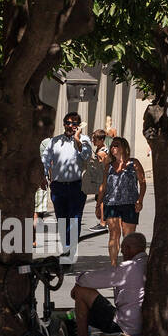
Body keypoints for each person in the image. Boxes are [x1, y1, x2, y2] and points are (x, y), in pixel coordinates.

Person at [69, 232, 147, 336]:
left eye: (123, 250)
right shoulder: (149, 263)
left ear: (128, 248)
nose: (122, 254)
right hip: (141, 326)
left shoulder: (129, 267)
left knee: (81, 290)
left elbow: (89, 280)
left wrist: (79, 280)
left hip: (126, 327)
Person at [41, 112, 93, 255]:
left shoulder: (84, 140)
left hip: (77, 186)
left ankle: (70, 250)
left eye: (74, 123)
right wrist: (44, 175)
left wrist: (77, 139)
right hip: (58, 187)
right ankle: (66, 248)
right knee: (62, 221)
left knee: (75, 220)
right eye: (68, 123)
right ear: (64, 124)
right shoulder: (55, 141)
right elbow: (45, 159)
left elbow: (86, 156)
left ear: (79, 126)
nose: (71, 126)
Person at [95, 136, 146, 267]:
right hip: (111, 204)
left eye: (116, 145)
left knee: (128, 237)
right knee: (114, 234)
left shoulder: (134, 163)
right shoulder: (109, 166)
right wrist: (98, 205)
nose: (113, 148)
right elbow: (103, 187)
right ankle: (113, 266)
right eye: (112, 146)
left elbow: (142, 183)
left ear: (124, 147)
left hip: (130, 204)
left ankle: (128, 266)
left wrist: (140, 200)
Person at [82, 129, 110, 231]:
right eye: (92, 138)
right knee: (101, 198)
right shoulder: (101, 149)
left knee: (101, 200)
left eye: (95, 139)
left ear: (102, 140)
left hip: (103, 179)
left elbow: (101, 166)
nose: (93, 141)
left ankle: (103, 223)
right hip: (102, 178)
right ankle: (105, 221)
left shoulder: (102, 152)